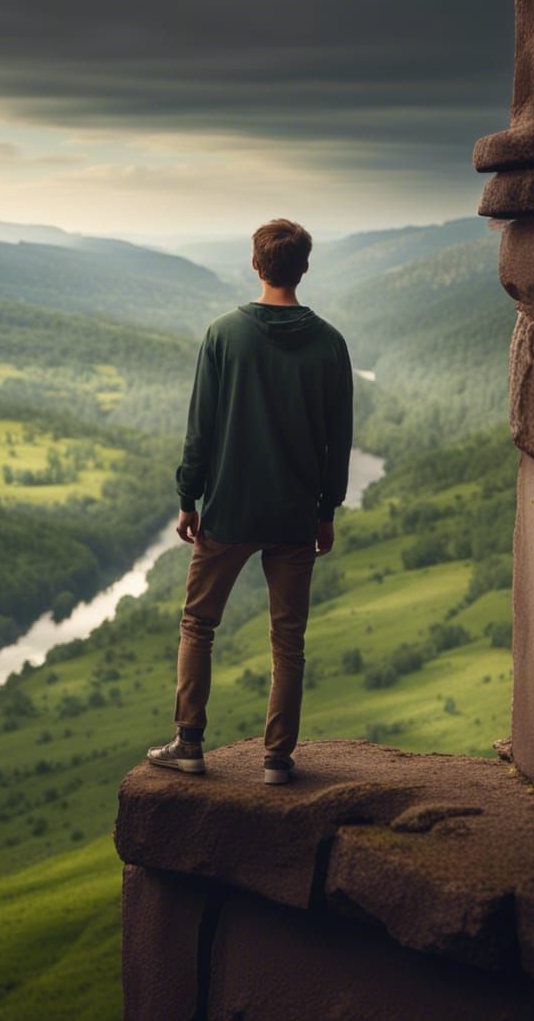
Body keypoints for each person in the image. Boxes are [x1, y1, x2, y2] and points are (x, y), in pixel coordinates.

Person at [146, 218, 353, 785]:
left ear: (256, 265)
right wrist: (326, 511)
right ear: (304, 268)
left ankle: (189, 742)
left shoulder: (223, 334)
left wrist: (188, 495)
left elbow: (201, 429)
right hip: (294, 515)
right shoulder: (331, 344)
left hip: (229, 509)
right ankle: (277, 760)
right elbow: (339, 441)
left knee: (198, 625)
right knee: (288, 643)